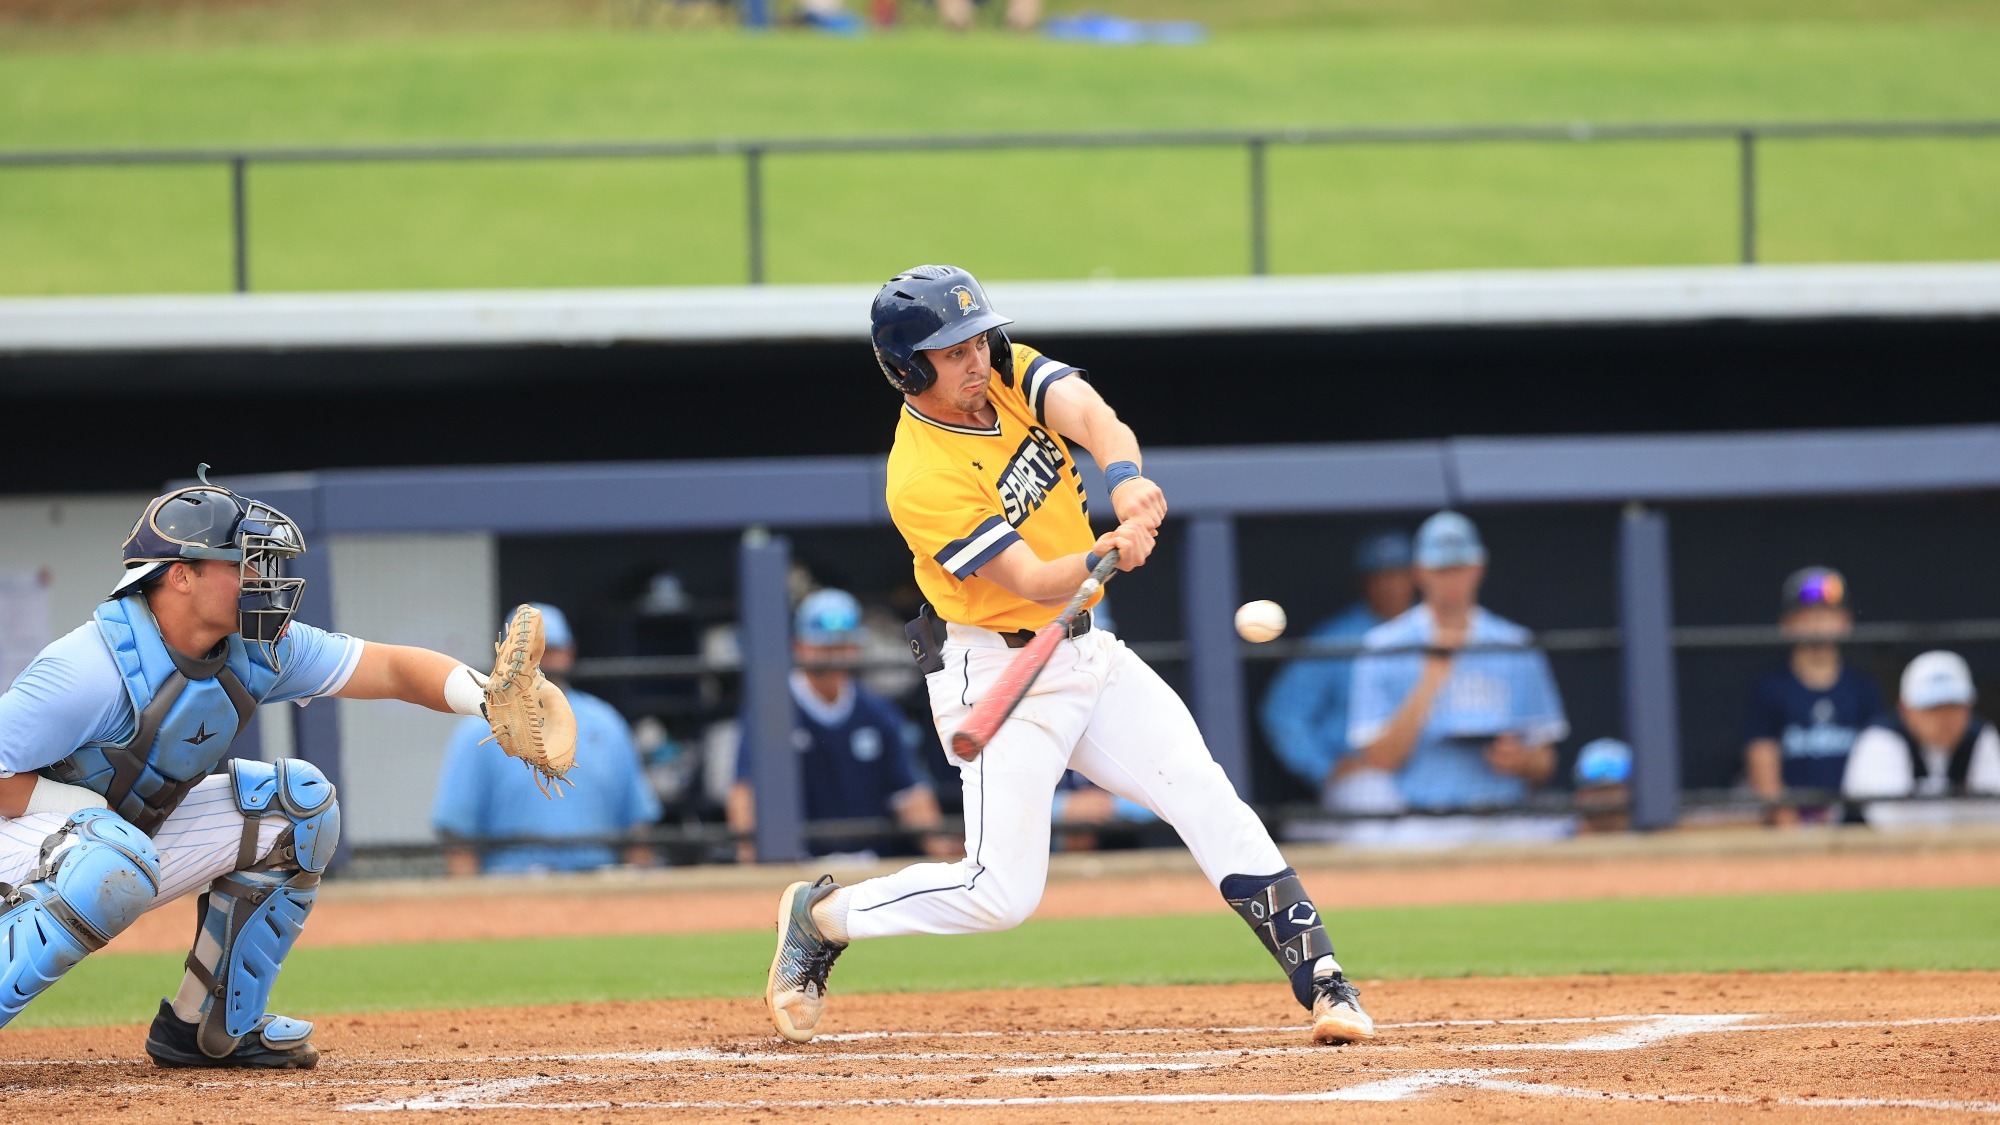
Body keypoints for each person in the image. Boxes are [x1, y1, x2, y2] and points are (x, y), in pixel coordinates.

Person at [763, 265, 1373, 1048]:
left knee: (1205, 793)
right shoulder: (921, 476)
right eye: (952, 351)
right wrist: (1102, 553)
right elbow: (1026, 578)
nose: (976, 358)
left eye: (978, 337)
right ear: (909, 367)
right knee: (1000, 895)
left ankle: (1324, 981)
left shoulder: (1007, 372)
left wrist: (1125, 483)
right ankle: (822, 917)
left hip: (1088, 652)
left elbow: (1097, 417)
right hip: (997, 670)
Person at [0, 470, 572, 1068]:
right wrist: (87, 815)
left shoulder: (258, 649)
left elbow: (392, 668)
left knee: (298, 807)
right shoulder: (86, 668)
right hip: (35, 849)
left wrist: (486, 699)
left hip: (113, 847)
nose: (258, 577)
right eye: (240, 562)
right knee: (114, 855)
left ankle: (209, 1028)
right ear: (181, 575)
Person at [1343, 511, 1570, 845]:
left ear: (1479, 568)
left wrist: (1521, 759)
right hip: (1422, 820)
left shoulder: (1514, 644)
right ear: (1420, 572)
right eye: (1441, 570)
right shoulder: (1384, 646)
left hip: (1504, 816)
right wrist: (1430, 681)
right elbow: (1379, 760)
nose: (1451, 582)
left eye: (1459, 568)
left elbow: (1545, 761)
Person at [727, 588, 954, 863]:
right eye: (823, 646)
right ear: (799, 646)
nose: (833, 656)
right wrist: (749, 858)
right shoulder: (772, 712)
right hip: (795, 863)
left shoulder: (876, 711)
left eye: (842, 646)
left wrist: (942, 850)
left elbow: (907, 792)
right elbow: (745, 791)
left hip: (867, 861)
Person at [433, 604, 660, 876]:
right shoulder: (477, 727)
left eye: (550, 650)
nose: (540, 662)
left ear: (570, 653)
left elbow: (637, 824)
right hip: (512, 885)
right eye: (528, 652)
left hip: (597, 880)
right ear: (506, 656)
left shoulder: (606, 722)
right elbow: (458, 834)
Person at [1260, 531, 1415, 803]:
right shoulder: (1335, 639)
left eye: (1398, 573)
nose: (1389, 585)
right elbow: (1283, 712)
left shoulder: (1437, 631)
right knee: (1371, 797)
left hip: (1430, 772)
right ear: (1363, 583)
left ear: (1415, 576)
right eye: (1379, 576)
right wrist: (1324, 768)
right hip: (1366, 777)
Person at [1742, 567, 1883, 826]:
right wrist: (1794, 829)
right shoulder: (1770, 688)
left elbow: (1879, 768)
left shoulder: (1863, 688)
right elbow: (1763, 771)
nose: (1818, 623)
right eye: (1807, 615)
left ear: (1846, 621)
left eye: (1828, 614)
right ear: (1787, 624)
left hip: (1854, 825)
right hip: (1794, 829)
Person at [1842, 651, 2000, 828]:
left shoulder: (1982, 736)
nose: (1944, 719)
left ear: (1969, 707)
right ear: (1906, 710)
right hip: (1874, 855)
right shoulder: (1880, 739)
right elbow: (1892, 822)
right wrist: (1960, 803)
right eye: (1932, 708)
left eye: (1954, 707)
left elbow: (1992, 816)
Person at [1571, 737, 1633, 834]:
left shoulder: (1655, 838)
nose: (1604, 797)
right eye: (1596, 789)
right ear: (1581, 794)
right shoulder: (1554, 839)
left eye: (1611, 788)